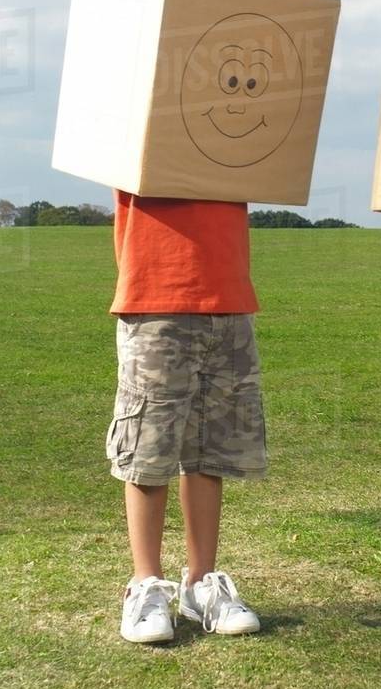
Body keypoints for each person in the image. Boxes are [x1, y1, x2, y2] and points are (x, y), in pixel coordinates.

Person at [105, 192, 267, 643]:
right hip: (156, 296)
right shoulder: (140, 129)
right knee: (148, 448)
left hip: (229, 299)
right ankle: (146, 584)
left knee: (210, 449)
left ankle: (201, 583)